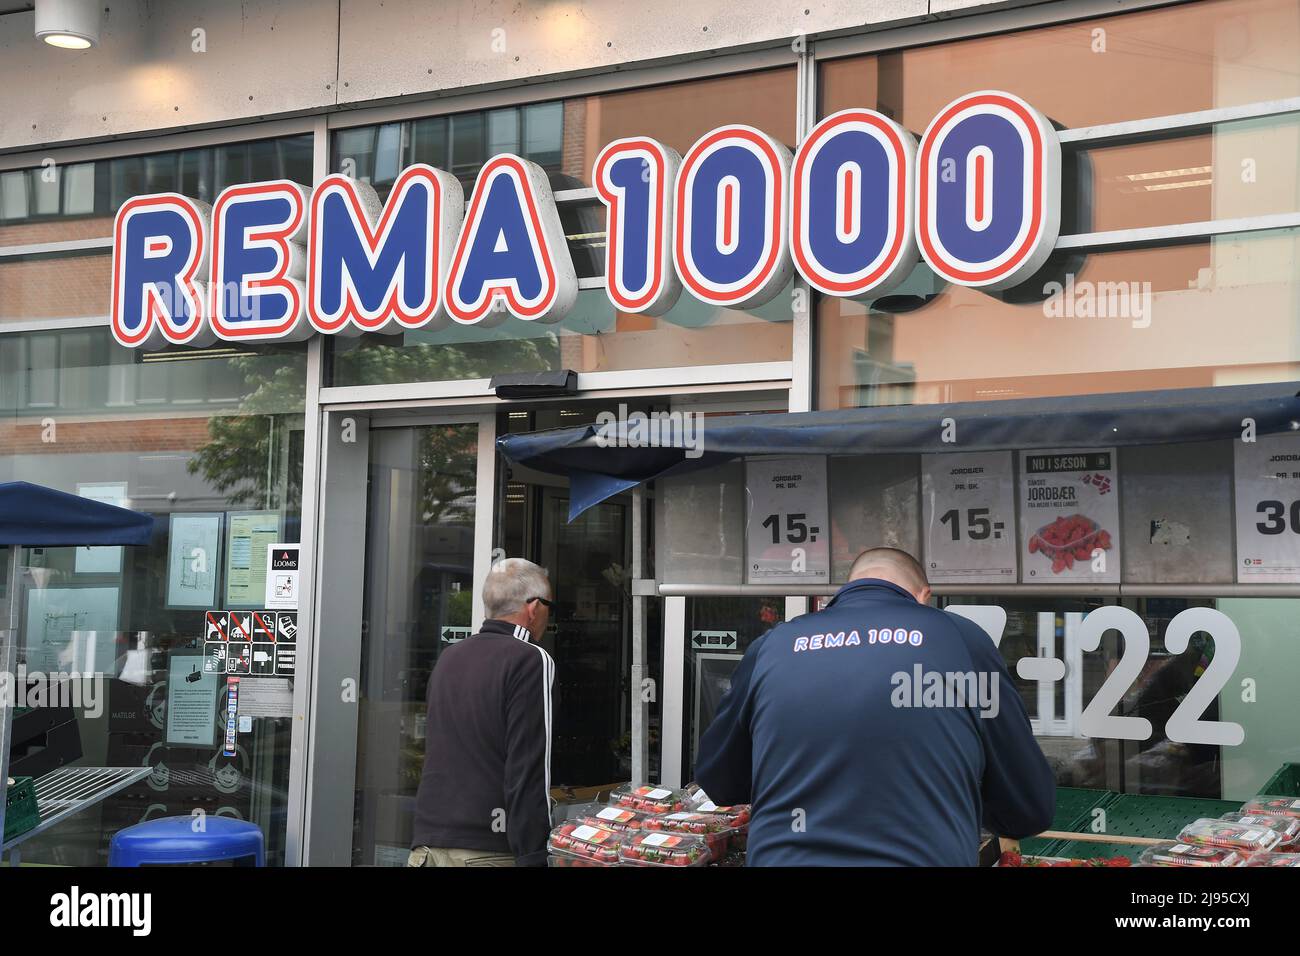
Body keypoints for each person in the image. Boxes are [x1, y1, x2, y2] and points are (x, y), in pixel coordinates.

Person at [695, 547, 1055, 866]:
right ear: (923, 597)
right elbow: (1027, 808)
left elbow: (719, 781)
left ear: (841, 594)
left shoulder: (774, 644)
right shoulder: (961, 639)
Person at [408, 558, 556, 867]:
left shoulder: (449, 657)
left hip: (427, 846)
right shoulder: (530, 659)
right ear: (533, 607)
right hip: (487, 849)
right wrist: (534, 854)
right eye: (549, 607)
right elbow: (528, 766)